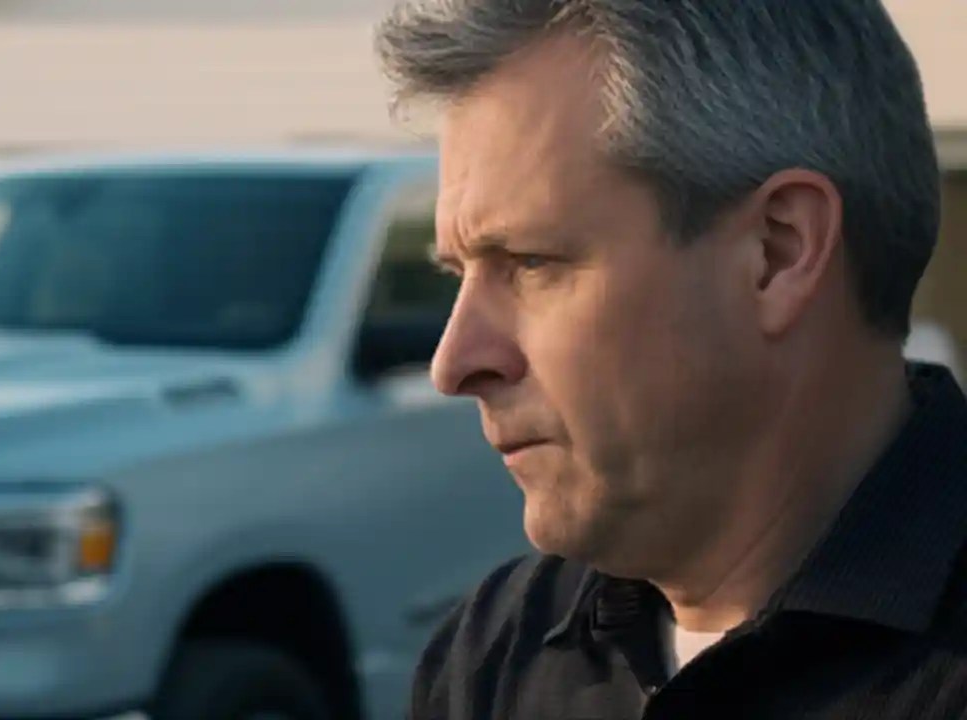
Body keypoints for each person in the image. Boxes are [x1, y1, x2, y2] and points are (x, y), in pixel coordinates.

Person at [373, 1, 967, 718]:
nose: (455, 363)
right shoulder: (497, 651)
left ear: (777, 252)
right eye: (457, 274)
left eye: (531, 263)